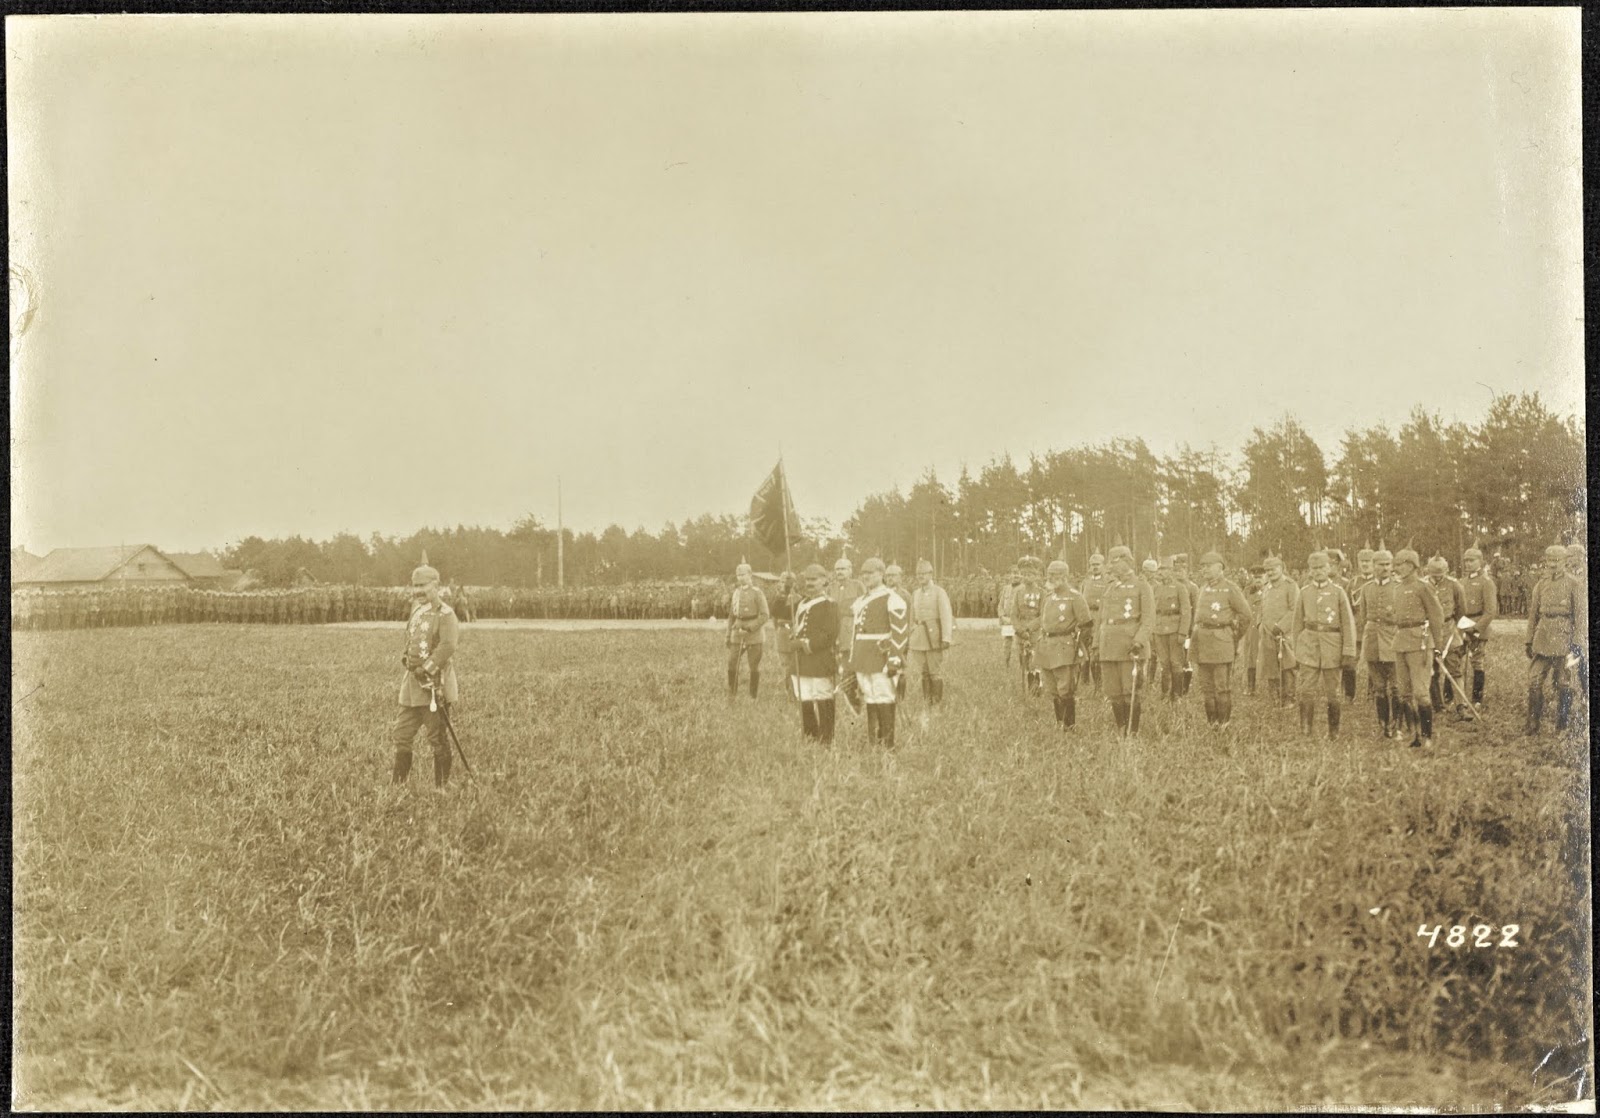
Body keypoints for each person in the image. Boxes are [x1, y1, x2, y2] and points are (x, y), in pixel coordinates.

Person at [390, 559, 461, 787]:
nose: (418, 591)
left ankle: (441, 787)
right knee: (401, 734)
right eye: (415, 586)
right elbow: (411, 639)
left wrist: (427, 668)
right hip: (411, 685)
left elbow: (448, 646)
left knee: (436, 738)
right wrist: (406, 657)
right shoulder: (418, 611)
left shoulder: (445, 614)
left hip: (433, 685)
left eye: (423, 586)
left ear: (436, 586)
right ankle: (397, 786)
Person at [1290, 550, 1358, 739]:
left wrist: (1348, 651)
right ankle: (1306, 729)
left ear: (1329, 568)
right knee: (1306, 690)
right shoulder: (1304, 593)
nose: (1318, 571)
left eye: (1322, 567)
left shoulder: (1338, 592)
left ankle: (1333, 732)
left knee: (1333, 693)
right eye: (1314, 568)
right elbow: (1296, 625)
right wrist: (1297, 650)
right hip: (1309, 646)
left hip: (1332, 647)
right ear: (1310, 571)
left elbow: (1347, 624)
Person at [1526, 543, 1586, 736]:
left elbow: (1580, 617)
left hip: (1565, 639)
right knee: (1534, 681)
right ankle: (1533, 722)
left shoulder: (1574, 584)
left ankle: (1562, 725)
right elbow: (1533, 615)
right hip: (1542, 638)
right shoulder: (1540, 585)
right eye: (1549, 560)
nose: (1552, 564)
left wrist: (1577, 644)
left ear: (1565, 562)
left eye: (1556, 561)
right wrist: (1529, 640)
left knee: (1563, 684)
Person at [1094, 545, 1155, 734]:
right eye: (1110, 562)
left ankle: (1132, 733)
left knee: (1130, 691)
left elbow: (1148, 619)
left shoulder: (1141, 586)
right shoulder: (1110, 587)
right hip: (1108, 646)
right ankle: (1121, 730)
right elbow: (1101, 619)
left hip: (1129, 646)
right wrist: (1096, 644)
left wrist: (1139, 641)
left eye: (1115, 561)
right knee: (1113, 692)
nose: (1111, 566)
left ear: (1127, 561)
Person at [849, 557, 909, 748]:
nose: (866, 577)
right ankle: (874, 742)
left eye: (871, 573)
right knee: (870, 697)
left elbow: (900, 632)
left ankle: (888, 744)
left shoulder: (892, 598)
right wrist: (853, 659)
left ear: (881, 574)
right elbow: (854, 633)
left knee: (884, 697)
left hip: (881, 657)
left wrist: (894, 660)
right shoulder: (861, 600)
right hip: (863, 657)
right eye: (864, 573)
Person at [1389, 549, 1445, 748]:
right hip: (1401, 642)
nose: (1397, 568)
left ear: (1412, 565)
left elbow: (1437, 618)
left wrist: (1437, 647)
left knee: (1421, 692)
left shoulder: (1423, 587)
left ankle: (1427, 736)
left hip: (1419, 643)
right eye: (1395, 564)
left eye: (1401, 564)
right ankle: (1414, 734)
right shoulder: (1396, 589)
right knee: (1404, 692)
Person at [1192, 551, 1254, 727]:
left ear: (1220, 568)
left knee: (1221, 687)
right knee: (1206, 688)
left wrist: (1233, 636)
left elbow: (1246, 615)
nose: (1204, 570)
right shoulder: (1203, 589)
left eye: (1208, 566)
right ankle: (1212, 725)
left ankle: (1224, 725)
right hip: (1202, 643)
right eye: (1202, 567)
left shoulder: (1230, 588)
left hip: (1221, 643)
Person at [1036, 559, 1091, 730]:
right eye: (1050, 574)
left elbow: (1086, 625)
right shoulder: (1048, 597)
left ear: (1065, 576)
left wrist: (1077, 647)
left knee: (1065, 688)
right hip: (1046, 645)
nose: (1051, 577)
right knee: (1052, 688)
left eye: (1056, 574)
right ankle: (1059, 723)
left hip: (1064, 647)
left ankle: (1069, 727)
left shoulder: (1075, 596)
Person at [791, 564, 839, 744]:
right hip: (801, 660)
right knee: (805, 698)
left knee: (823, 697)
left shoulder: (829, 604)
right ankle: (810, 736)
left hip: (819, 659)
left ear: (824, 581)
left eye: (814, 579)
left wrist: (806, 644)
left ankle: (826, 739)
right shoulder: (801, 603)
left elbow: (830, 634)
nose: (810, 583)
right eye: (807, 580)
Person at [1454, 545, 1499, 714]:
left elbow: (1490, 611)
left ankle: (1477, 699)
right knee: (1456, 661)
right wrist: (1461, 626)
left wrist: (1476, 629)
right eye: (1466, 560)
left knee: (1477, 662)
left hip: (1479, 626)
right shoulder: (1461, 582)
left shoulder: (1487, 582)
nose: (1468, 564)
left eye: (1471, 560)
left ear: (1480, 562)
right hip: (1462, 624)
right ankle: (1456, 699)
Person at [907, 559, 955, 708]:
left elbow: (946, 615)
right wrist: (909, 635)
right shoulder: (915, 593)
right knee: (923, 671)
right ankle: (927, 702)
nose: (920, 576)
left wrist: (946, 637)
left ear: (931, 574)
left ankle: (936, 704)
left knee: (934, 671)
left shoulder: (939, 592)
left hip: (934, 637)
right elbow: (911, 618)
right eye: (918, 574)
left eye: (924, 573)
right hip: (918, 638)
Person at [1425, 556, 1468, 715]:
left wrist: (1463, 636)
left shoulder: (1455, 586)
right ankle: (1438, 706)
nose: (1437, 578)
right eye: (1433, 574)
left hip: (1449, 631)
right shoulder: (1423, 586)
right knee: (1431, 671)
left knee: (1455, 670)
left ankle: (1460, 706)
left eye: (1440, 574)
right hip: (1429, 632)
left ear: (1446, 571)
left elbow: (1462, 613)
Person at [1256, 556, 1299, 705]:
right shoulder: (1266, 586)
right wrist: (1259, 624)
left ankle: (1289, 698)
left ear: (1281, 568)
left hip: (1284, 634)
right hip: (1267, 633)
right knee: (1270, 666)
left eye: (1273, 569)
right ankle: (1275, 698)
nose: (1270, 572)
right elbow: (1261, 608)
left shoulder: (1290, 585)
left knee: (1287, 666)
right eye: (1267, 570)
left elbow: (1295, 609)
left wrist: (1281, 627)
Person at [1149, 559, 1192, 702]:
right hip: (1159, 630)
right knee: (1164, 663)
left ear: (1170, 571)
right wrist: (1152, 632)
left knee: (1176, 663)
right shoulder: (1155, 588)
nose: (1160, 573)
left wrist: (1183, 632)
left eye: (1163, 569)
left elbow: (1186, 611)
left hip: (1174, 630)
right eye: (1159, 570)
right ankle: (1165, 692)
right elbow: (1152, 611)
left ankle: (1177, 695)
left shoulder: (1180, 588)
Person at [726, 562, 770, 699]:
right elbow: (732, 615)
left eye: (743, 574)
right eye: (738, 575)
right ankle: (732, 694)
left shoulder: (757, 593)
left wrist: (750, 627)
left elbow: (765, 615)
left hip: (754, 634)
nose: (740, 578)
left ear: (750, 574)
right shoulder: (736, 592)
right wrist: (728, 634)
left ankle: (753, 696)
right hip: (737, 633)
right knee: (732, 663)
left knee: (753, 666)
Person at [1012, 557, 1046, 694]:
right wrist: (1020, 630)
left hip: (1035, 632)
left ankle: (1036, 690)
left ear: (1036, 575)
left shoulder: (1042, 593)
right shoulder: (1018, 593)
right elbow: (1013, 614)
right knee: (1024, 662)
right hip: (1021, 633)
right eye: (1024, 574)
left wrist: (1029, 628)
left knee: (1035, 661)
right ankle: (1028, 688)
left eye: (1030, 574)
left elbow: (1043, 615)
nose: (1027, 577)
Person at [1169, 554, 1202, 696]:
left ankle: (1184, 688)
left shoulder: (1192, 588)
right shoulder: (1171, 587)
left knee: (1185, 659)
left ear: (1187, 571)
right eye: (1176, 570)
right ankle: (1175, 688)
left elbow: (1196, 609)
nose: (1179, 573)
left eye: (1182, 570)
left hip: (1188, 630)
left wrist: (1192, 629)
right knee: (1174, 659)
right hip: (1173, 629)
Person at [829, 557, 866, 671]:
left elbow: (865, 607)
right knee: (835, 664)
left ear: (850, 570)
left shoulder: (858, 586)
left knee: (850, 664)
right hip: (835, 630)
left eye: (843, 569)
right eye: (837, 569)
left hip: (851, 631)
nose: (839, 572)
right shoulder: (831, 588)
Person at [1080, 552, 1109, 692]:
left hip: (1100, 617)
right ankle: (1084, 682)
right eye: (1092, 565)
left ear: (1103, 566)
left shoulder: (1107, 581)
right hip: (1086, 618)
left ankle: (1098, 684)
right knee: (1083, 650)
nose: (1095, 567)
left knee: (1096, 652)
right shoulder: (1085, 582)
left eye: (1097, 565)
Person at [769, 570, 800, 700]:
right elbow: (775, 615)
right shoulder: (778, 599)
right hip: (782, 633)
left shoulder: (799, 598)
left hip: (794, 632)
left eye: (787, 582)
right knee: (785, 663)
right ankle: (788, 691)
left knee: (794, 664)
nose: (784, 584)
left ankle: (794, 691)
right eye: (781, 581)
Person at [998, 566, 1022, 667]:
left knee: (1020, 643)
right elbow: (1000, 605)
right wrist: (1002, 616)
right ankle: (1005, 663)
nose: (1015, 575)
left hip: (1018, 621)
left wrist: (1014, 620)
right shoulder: (1006, 589)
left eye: (1017, 573)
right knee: (1007, 643)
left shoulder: (1023, 588)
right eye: (1013, 573)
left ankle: (1023, 665)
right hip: (1006, 620)